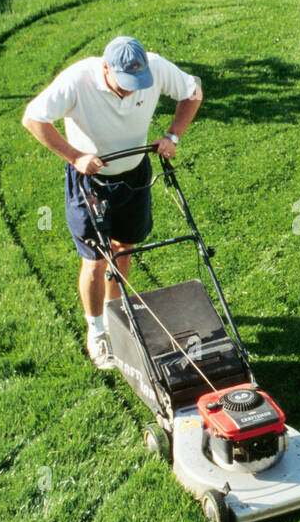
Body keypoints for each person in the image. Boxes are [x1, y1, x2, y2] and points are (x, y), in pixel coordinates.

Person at [21, 36, 202, 369]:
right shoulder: (77, 80)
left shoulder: (156, 67)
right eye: (125, 84)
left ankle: (116, 315)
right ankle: (97, 331)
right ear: (105, 69)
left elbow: (193, 92)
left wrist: (173, 135)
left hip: (134, 173)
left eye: (138, 84)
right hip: (90, 180)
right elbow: (33, 118)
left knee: (124, 247)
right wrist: (75, 157)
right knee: (93, 261)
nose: (133, 91)